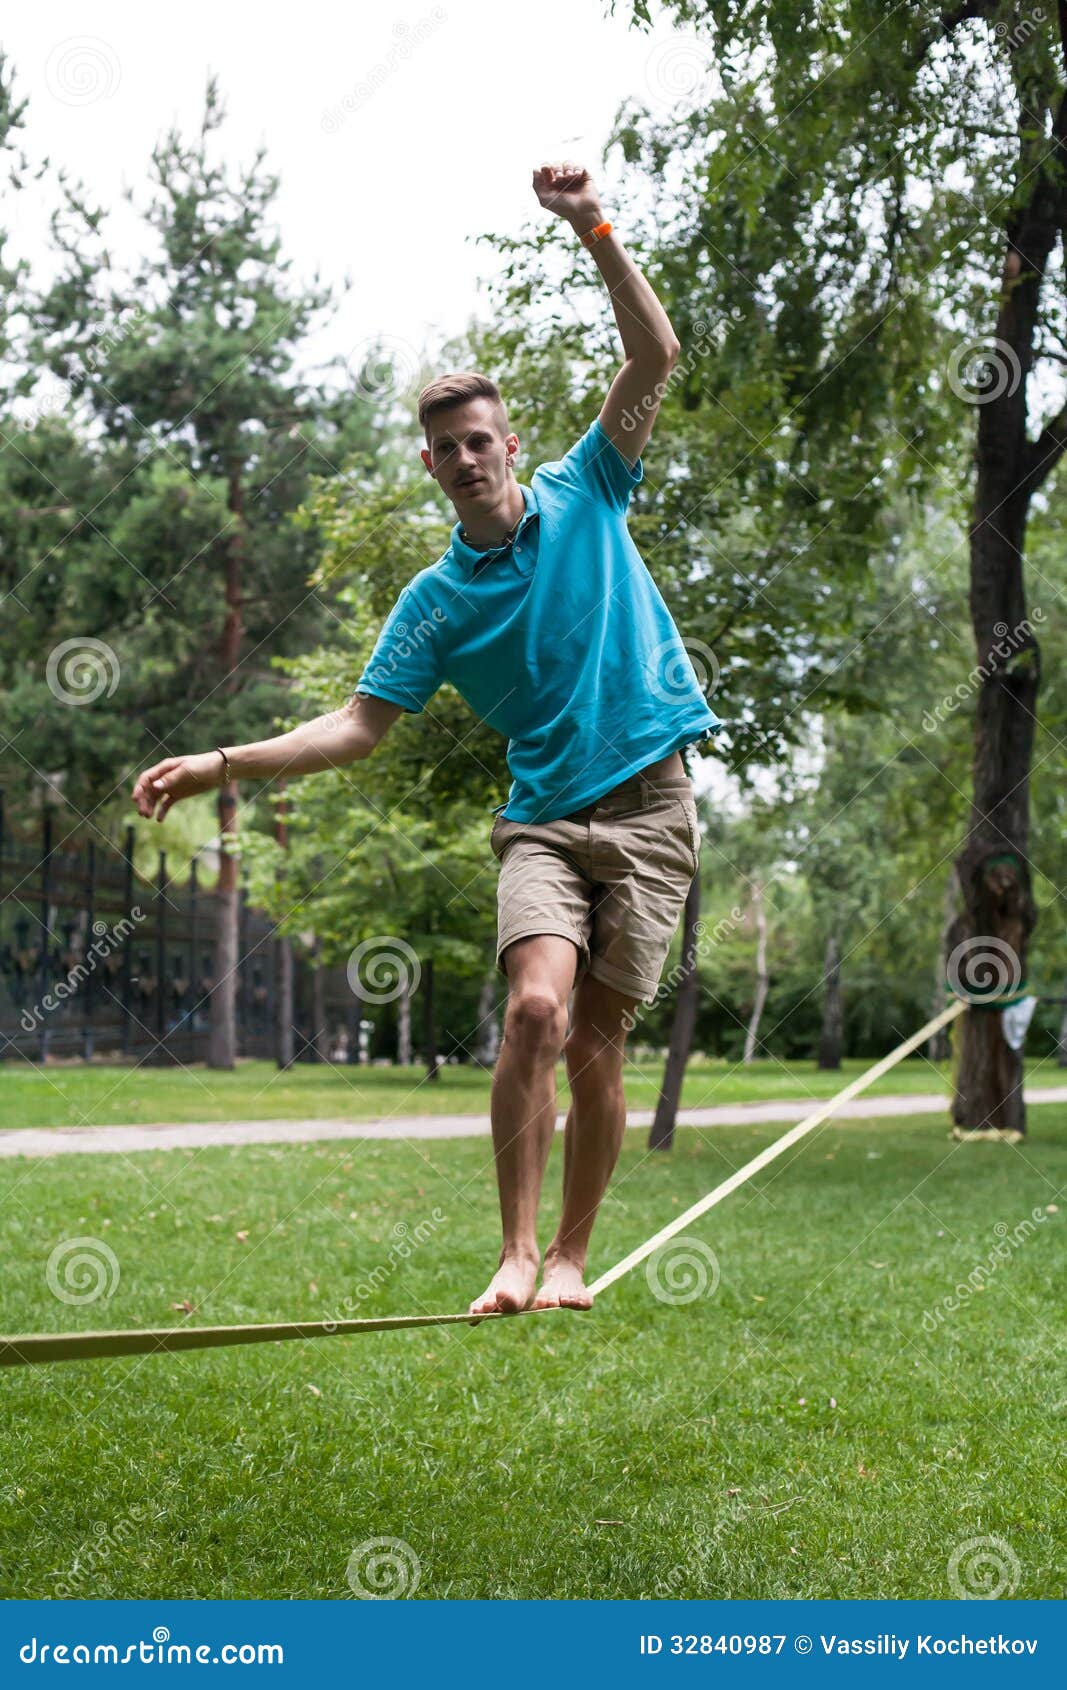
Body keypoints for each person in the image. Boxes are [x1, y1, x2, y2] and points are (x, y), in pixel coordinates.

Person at [131, 162, 723, 1320]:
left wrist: (591, 227)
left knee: (598, 1045)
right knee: (534, 1014)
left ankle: (568, 1257)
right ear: (428, 463)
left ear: (510, 444)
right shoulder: (435, 603)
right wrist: (220, 764)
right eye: (445, 446)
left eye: (480, 439)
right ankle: (512, 1251)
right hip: (544, 818)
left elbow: (652, 357)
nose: (466, 457)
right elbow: (357, 725)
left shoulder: (589, 486)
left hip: (653, 805)